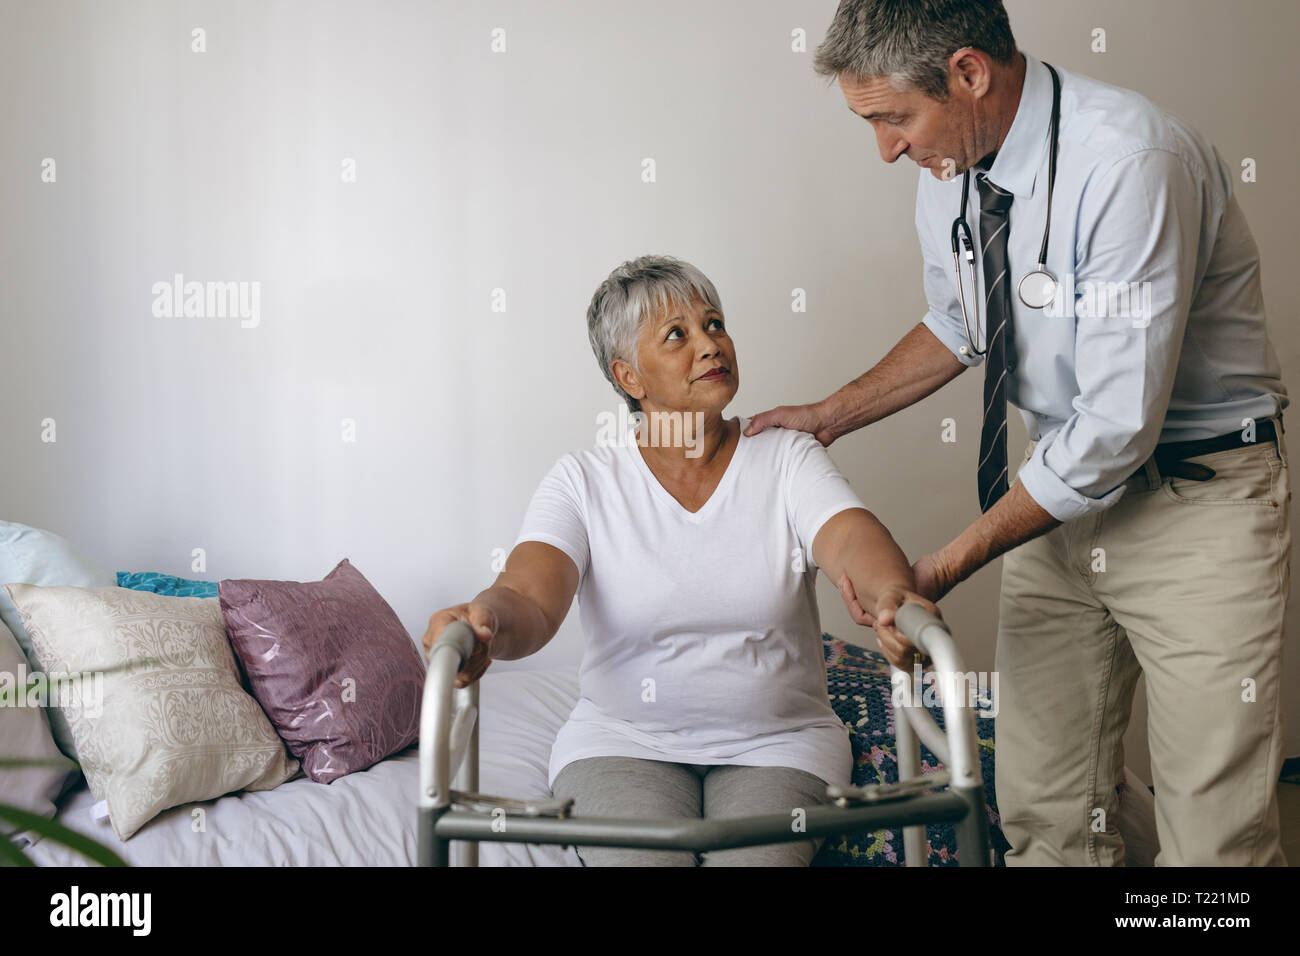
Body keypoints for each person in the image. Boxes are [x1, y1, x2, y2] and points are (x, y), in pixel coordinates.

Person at [746, 0, 1290, 866]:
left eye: (893, 118)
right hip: (1060, 498)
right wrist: (825, 416)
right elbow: (963, 323)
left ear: (969, 73)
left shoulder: (1128, 161)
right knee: (1044, 802)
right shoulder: (953, 166)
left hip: (1198, 501)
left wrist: (946, 564)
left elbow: (1115, 428)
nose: (888, 148)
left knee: (1212, 825)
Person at [422, 254, 939, 866]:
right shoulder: (584, 481)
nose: (710, 345)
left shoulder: (785, 457)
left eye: (715, 324)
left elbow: (849, 537)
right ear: (629, 376)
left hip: (779, 744)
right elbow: (531, 598)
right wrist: (484, 621)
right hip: (622, 743)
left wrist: (890, 593)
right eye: (678, 335)